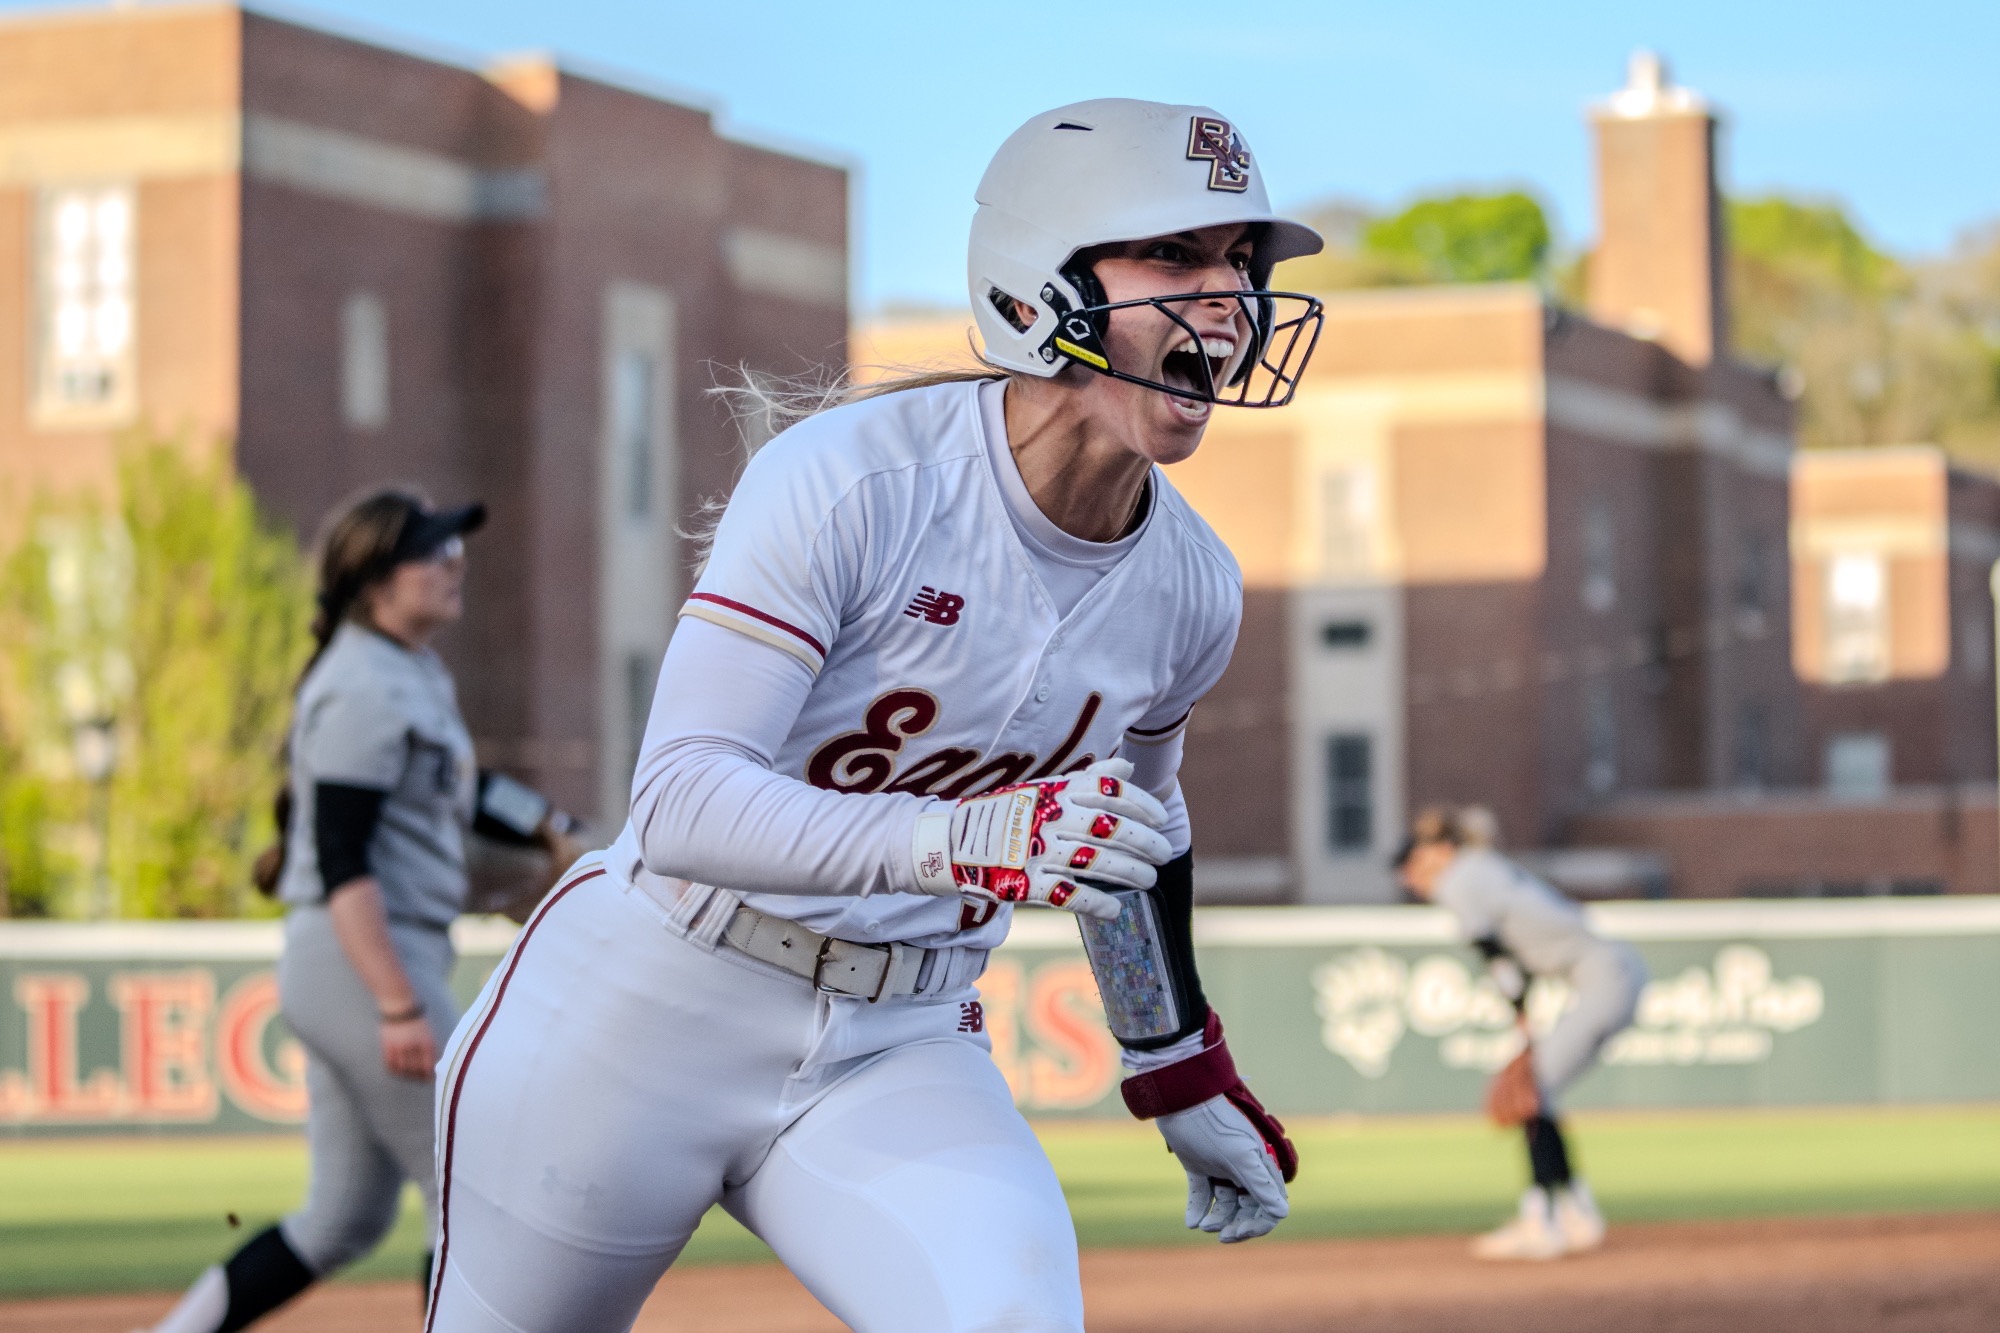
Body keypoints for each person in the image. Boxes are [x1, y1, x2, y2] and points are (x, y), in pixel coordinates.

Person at [424, 99, 1323, 1333]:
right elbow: (678, 800)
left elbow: (1131, 832)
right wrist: (961, 838)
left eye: (1241, 263)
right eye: (1174, 255)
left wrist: (1170, 1060)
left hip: (899, 1038)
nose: (1227, 301)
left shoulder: (1194, 584)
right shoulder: (853, 477)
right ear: (1039, 278)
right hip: (645, 1002)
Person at [144, 491, 580, 1333]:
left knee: (342, 1217)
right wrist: (396, 1002)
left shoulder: (406, 670)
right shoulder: (362, 685)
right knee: (472, 1188)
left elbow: (465, 790)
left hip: (362, 956)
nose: (455, 563)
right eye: (433, 552)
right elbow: (344, 859)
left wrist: (550, 824)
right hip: (363, 959)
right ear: (377, 581)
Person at [1395, 805, 1647, 1261]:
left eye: (1415, 862)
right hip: (1612, 970)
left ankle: (1542, 1221)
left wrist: (1520, 1016)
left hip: (1604, 977)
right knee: (1538, 1093)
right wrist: (1523, 1011)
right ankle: (1576, 1212)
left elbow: (1495, 955)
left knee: (1531, 1090)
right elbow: (1516, 954)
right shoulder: (1483, 867)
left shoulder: (1457, 879)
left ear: (1441, 850)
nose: (1412, 877)